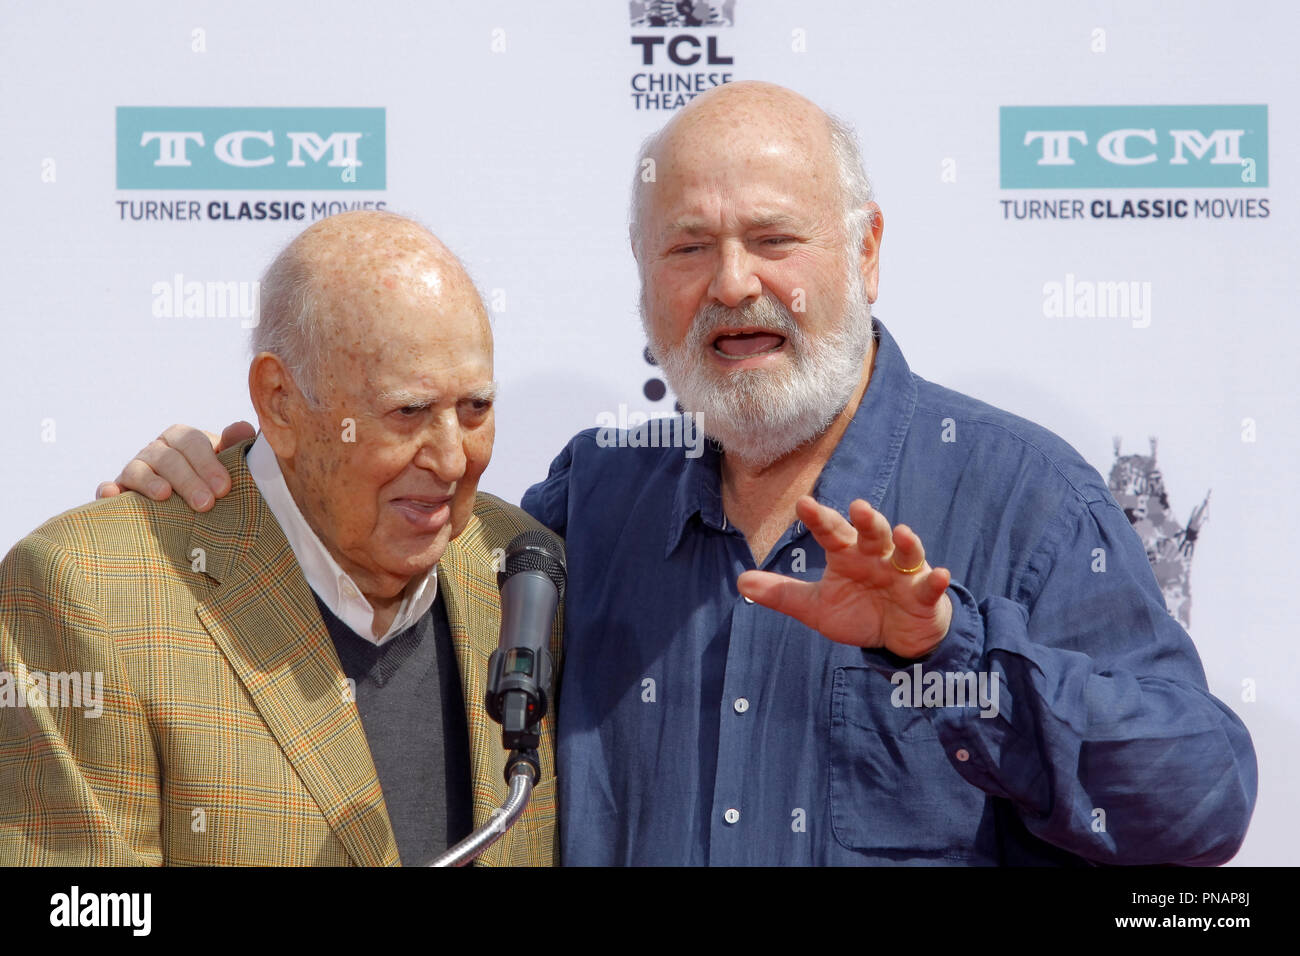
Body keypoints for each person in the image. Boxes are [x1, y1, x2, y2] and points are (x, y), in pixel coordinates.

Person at [97, 82, 1257, 866]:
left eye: (775, 238)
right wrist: (248, 488)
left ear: (864, 252)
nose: (732, 283)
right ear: (645, 287)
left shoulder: (1023, 498)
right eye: (688, 249)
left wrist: (945, 647)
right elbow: (378, 576)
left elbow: (1202, 800)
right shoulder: (584, 506)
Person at [0, 211, 561, 866]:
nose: (451, 458)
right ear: (280, 402)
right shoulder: (91, 594)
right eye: (407, 411)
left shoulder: (523, 572)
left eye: (475, 408)